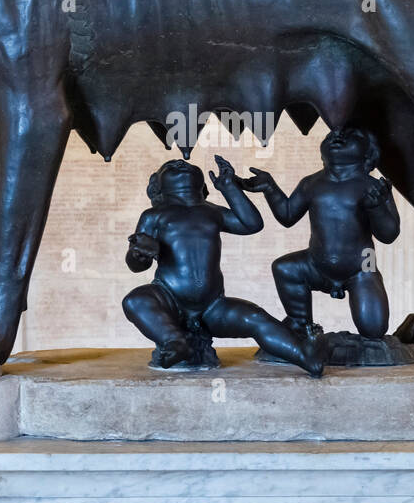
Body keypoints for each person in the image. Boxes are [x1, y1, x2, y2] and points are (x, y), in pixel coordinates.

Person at [123, 156, 323, 376]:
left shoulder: (212, 211)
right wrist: (139, 253)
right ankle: (174, 341)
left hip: (213, 306)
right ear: (157, 186)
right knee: (135, 300)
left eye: (186, 164)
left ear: (203, 186)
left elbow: (251, 224)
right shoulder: (153, 216)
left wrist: (229, 187)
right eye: (170, 166)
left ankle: (304, 357)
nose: (180, 163)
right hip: (168, 297)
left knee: (256, 318)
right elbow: (135, 266)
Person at [242, 127, 401, 340]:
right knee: (285, 268)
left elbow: (388, 235)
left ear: (368, 152)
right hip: (316, 262)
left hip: (363, 265)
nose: (337, 136)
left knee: (374, 331)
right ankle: (300, 324)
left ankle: (367, 313)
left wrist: (377, 207)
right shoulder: (312, 183)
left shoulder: (373, 187)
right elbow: (288, 215)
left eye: (352, 134)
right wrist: (270, 188)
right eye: (331, 135)